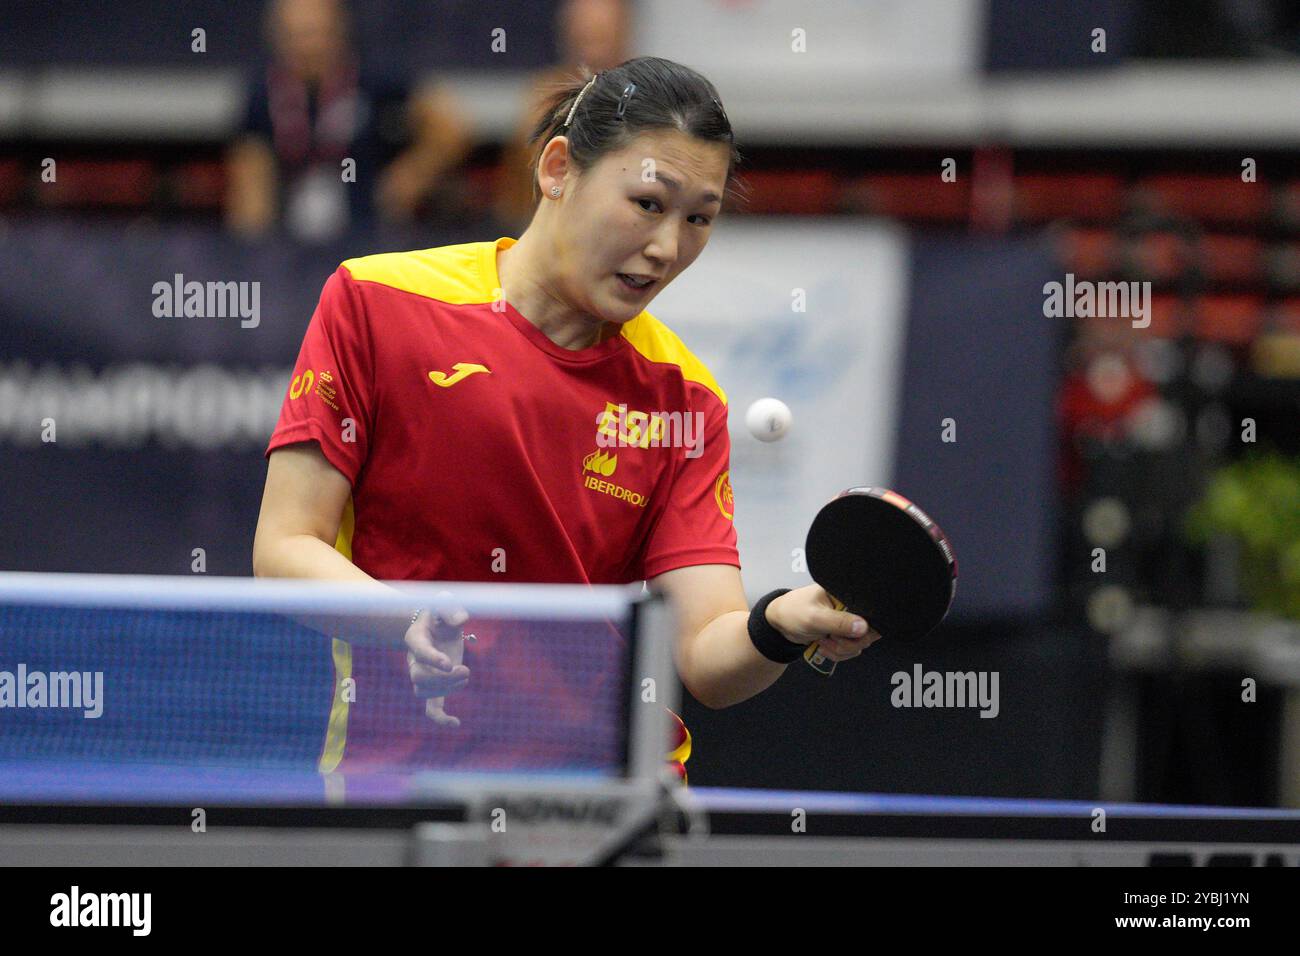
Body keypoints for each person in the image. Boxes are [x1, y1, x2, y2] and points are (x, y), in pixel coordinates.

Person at [253, 56, 880, 781]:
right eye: (649, 202)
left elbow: (708, 656)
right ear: (557, 169)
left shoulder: (683, 399)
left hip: (605, 795)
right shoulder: (378, 304)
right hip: (397, 782)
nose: (667, 248)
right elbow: (284, 549)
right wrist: (407, 619)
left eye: (699, 218)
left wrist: (776, 626)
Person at [226, 0, 471, 241]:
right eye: (293, 37)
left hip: (368, 236)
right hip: (289, 240)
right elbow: (250, 183)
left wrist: (407, 179)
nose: (304, 48)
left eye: (312, 34)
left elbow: (450, 128)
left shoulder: (375, 80)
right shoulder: (262, 95)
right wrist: (255, 246)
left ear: (337, 32)